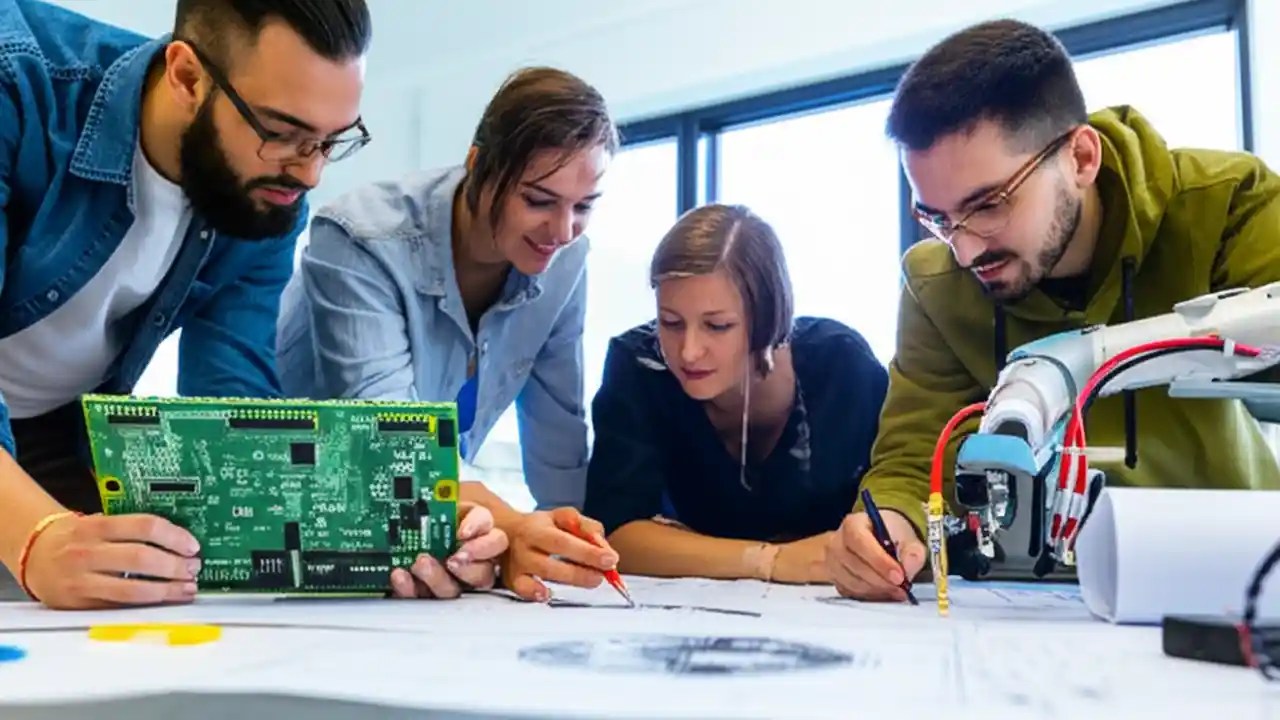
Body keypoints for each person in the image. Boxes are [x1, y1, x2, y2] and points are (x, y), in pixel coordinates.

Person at [0, 0, 502, 610]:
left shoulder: (267, 197)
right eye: (282, 133)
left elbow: (235, 415)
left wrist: (408, 533)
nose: (311, 173)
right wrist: (33, 539)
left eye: (331, 141)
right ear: (187, 75)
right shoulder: (17, 85)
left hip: (50, 430)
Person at [826, 19, 1280, 601]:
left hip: (1228, 578)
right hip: (1025, 603)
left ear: (1081, 158)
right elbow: (913, 459)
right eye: (938, 217)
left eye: (988, 204)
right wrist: (889, 525)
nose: (964, 250)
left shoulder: (1225, 206)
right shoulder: (933, 284)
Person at [275, 65, 622, 602]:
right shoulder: (359, 239)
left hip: (433, 517)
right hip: (295, 515)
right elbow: (393, 441)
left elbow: (558, 432)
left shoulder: (568, 257)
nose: (562, 231)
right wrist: (514, 528)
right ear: (478, 165)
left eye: (584, 206)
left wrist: (574, 542)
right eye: (538, 200)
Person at [583, 203, 888, 583]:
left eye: (718, 326)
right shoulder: (640, 367)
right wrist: (770, 561)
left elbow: (897, 503)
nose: (688, 351)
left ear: (769, 316)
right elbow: (615, 535)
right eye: (670, 323)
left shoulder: (841, 366)